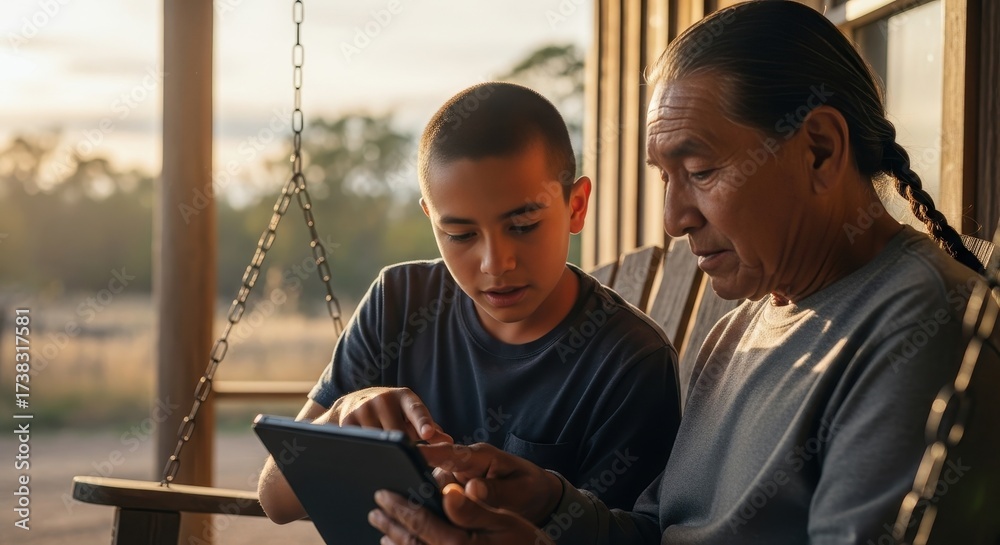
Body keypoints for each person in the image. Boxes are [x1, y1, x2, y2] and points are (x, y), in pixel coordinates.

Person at [365, 2, 1000, 544]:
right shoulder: (739, 331)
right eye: (665, 178)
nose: (673, 218)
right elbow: (660, 531)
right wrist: (550, 507)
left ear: (820, 151)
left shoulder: (917, 330)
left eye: (699, 172)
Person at [257, 82, 682, 523]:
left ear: (575, 206)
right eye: (460, 235)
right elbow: (276, 499)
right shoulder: (398, 304)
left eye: (523, 225)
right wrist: (340, 419)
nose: (495, 264)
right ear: (431, 219)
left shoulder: (630, 363)